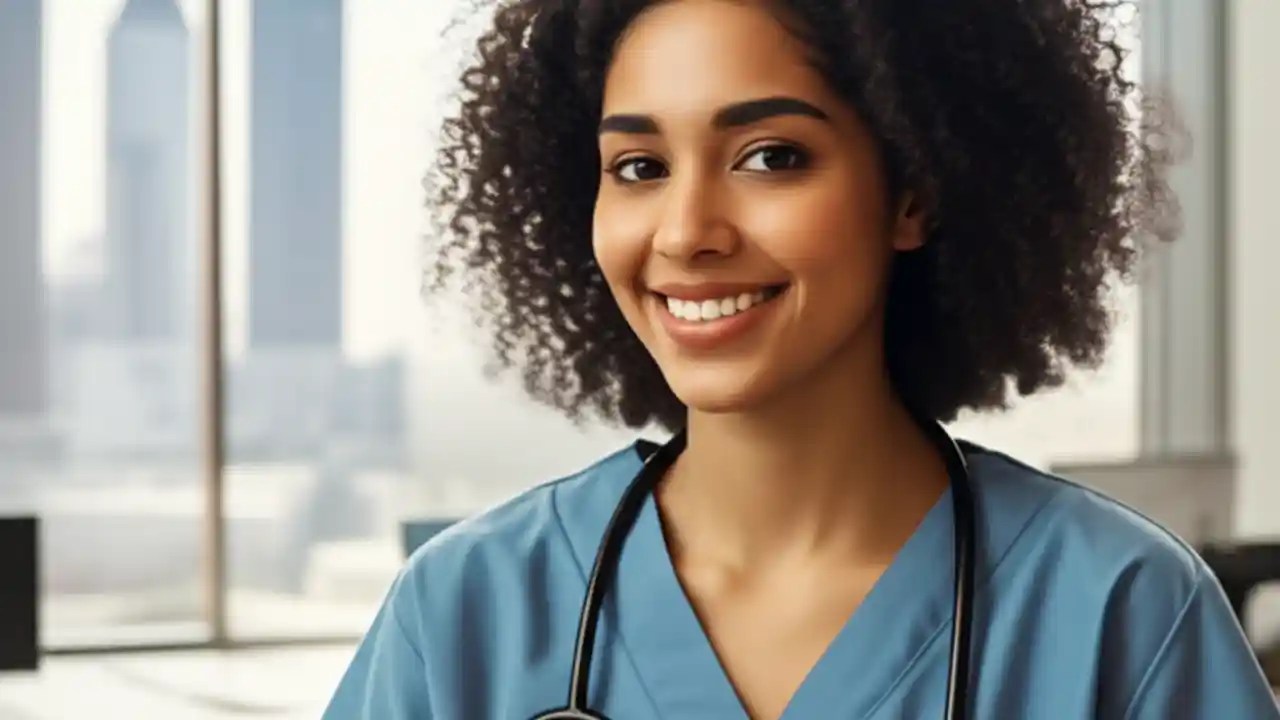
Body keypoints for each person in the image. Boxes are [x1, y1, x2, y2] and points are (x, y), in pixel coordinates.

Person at [323, 0, 1280, 718]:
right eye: (639, 168)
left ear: (913, 195)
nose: (687, 232)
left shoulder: (1121, 610)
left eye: (771, 156)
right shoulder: (463, 612)